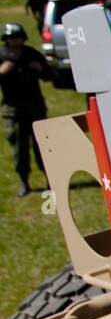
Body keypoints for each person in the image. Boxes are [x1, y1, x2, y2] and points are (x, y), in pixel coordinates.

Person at [0, 22, 55, 197]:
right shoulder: (1, 56)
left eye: (17, 38)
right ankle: (24, 182)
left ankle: (50, 179)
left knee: (42, 146)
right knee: (19, 148)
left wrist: (40, 69)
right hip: (13, 109)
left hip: (34, 107)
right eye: (10, 39)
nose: (14, 42)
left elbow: (50, 75)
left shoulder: (32, 54)